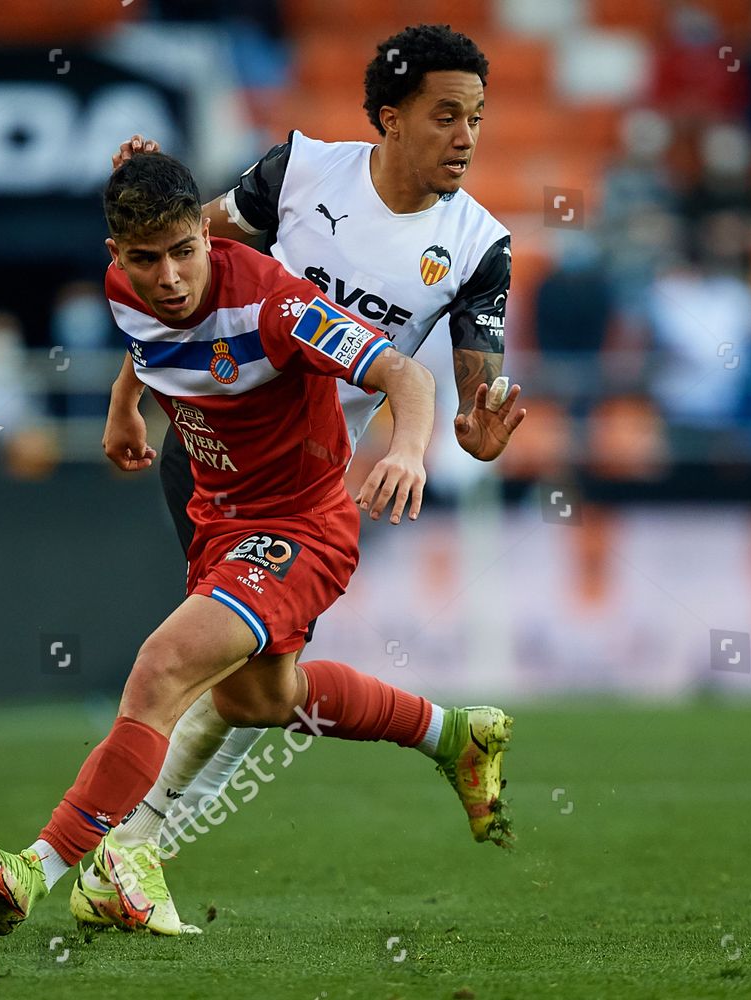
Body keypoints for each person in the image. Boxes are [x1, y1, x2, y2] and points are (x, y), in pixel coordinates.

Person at [0, 152, 520, 938]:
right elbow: (147, 341)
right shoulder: (128, 293)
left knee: (161, 670)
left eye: (184, 252)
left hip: (299, 532)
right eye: (145, 260)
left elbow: (405, 376)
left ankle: (37, 867)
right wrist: (126, 407)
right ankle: (451, 733)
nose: (169, 278)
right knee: (257, 700)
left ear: (207, 237)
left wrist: (405, 450)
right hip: (221, 522)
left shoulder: (276, 305)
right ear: (115, 257)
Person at [91, 23, 525, 934]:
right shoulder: (299, 173)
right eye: (446, 115)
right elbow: (172, 270)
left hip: (302, 484)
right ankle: (449, 736)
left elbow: (475, 407)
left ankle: (129, 850)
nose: (466, 137)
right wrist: (128, 396)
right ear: (388, 119)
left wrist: (465, 439)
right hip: (203, 452)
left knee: (241, 683)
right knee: (249, 685)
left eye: (477, 117)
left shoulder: (479, 246)